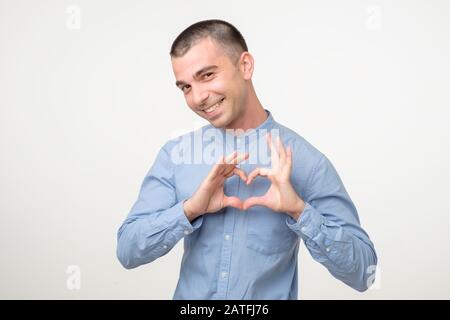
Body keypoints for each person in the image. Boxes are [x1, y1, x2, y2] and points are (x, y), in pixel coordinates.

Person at [117, 19, 377, 299]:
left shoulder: (304, 161)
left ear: (245, 66)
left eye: (206, 75)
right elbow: (128, 251)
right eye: (185, 87)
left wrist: (300, 211)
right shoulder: (176, 155)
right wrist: (190, 209)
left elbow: (364, 272)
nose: (198, 98)